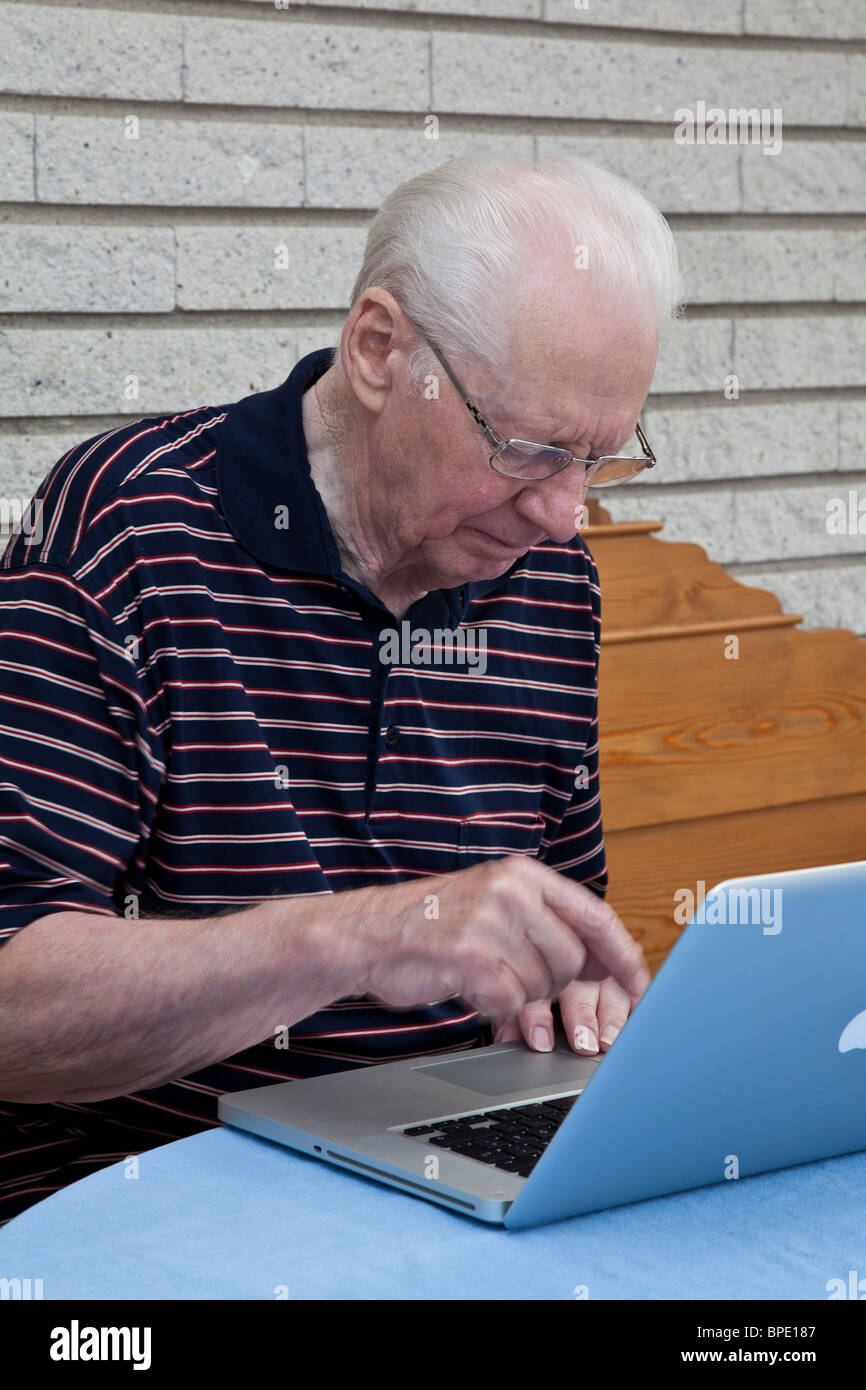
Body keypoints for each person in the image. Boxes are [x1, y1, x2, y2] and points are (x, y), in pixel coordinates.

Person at [0, 154, 682, 1225]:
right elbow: (14, 1007)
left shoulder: (545, 573)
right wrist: (353, 937)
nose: (564, 513)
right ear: (378, 350)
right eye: (528, 449)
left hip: (443, 1178)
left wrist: (573, 984)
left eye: (600, 457)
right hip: (148, 1192)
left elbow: (559, 929)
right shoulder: (122, 529)